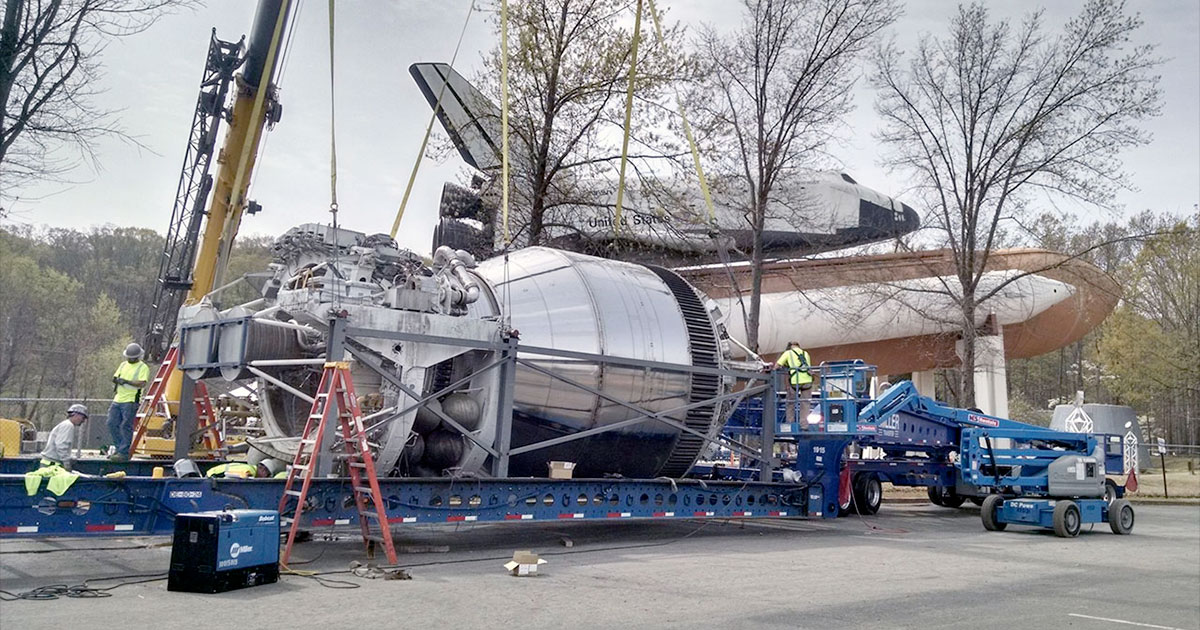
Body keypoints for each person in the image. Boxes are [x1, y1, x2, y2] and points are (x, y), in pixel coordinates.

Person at [25, 404, 88, 496]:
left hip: (49, 463)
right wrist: (66, 463)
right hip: (51, 465)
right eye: (83, 417)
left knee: (46, 494)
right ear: (76, 415)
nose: (83, 421)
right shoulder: (68, 426)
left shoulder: (65, 425)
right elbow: (62, 445)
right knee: (50, 494)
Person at [107, 342, 151, 462]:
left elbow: (142, 383)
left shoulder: (142, 367)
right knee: (111, 423)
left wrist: (126, 381)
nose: (130, 359)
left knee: (126, 426)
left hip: (131, 400)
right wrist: (116, 380)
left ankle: (123, 452)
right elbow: (115, 377)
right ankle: (119, 449)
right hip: (118, 399)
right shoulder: (122, 365)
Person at [774, 341, 814, 423]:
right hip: (808, 381)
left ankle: (790, 423)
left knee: (790, 403)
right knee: (805, 404)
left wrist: (773, 370)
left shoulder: (788, 353)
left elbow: (777, 365)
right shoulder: (805, 353)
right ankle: (804, 425)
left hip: (796, 381)